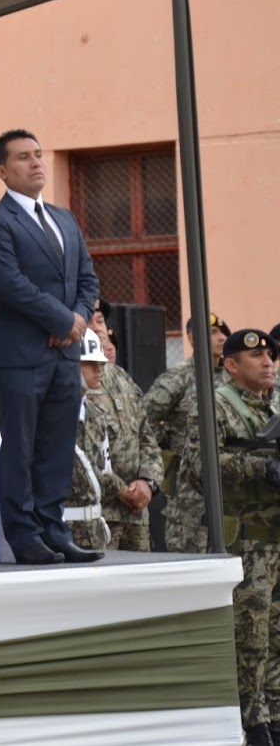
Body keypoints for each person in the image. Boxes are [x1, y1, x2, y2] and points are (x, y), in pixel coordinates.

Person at [0, 129, 102, 565]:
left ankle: (54, 529)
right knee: (21, 447)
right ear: (2, 170)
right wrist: (62, 319)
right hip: (20, 354)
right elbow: (9, 283)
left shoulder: (64, 218)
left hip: (64, 352)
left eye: (39, 155)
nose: (36, 163)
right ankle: (23, 535)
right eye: (24, 157)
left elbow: (88, 279)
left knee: (57, 445)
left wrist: (76, 321)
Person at [177, 329, 280, 746]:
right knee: (250, 636)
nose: (268, 362)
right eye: (256, 357)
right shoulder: (215, 405)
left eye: (271, 356)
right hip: (247, 544)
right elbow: (198, 466)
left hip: (276, 539)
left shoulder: (274, 404)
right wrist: (260, 469)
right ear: (231, 365)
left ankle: (273, 713)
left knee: (275, 634)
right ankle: (251, 723)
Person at [146, 311, 230, 553]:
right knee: (190, 552)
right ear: (192, 338)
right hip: (189, 489)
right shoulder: (178, 377)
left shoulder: (232, 378)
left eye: (223, 333)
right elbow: (145, 421)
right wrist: (166, 458)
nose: (221, 338)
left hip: (227, 482)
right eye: (213, 333)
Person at [77, 330, 161, 551]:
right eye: (94, 319)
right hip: (99, 514)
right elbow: (81, 455)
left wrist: (148, 482)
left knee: (140, 581)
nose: (99, 328)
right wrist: (120, 489)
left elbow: (146, 435)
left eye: (102, 321)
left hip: (136, 513)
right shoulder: (75, 387)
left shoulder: (121, 378)